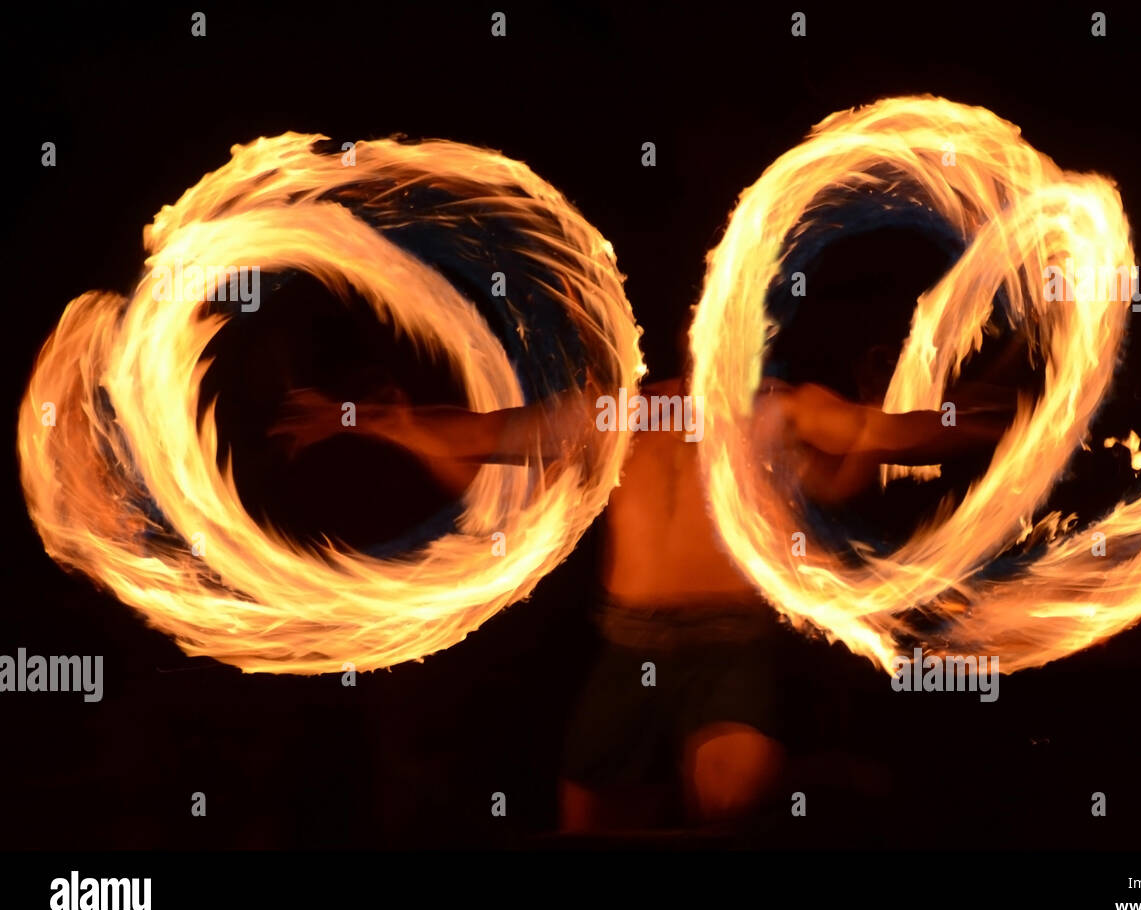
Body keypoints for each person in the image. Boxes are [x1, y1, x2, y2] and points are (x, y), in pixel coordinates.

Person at [270, 325, 1016, 833]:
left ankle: (820, 768)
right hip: (631, 646)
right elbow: (480, 432)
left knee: (729, 815)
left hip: (731, 644)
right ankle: (822, 764)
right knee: (588, 828)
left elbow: (883, 433)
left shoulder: (774, 413)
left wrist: (993, 425)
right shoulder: (614, 416)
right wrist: (360, 418)